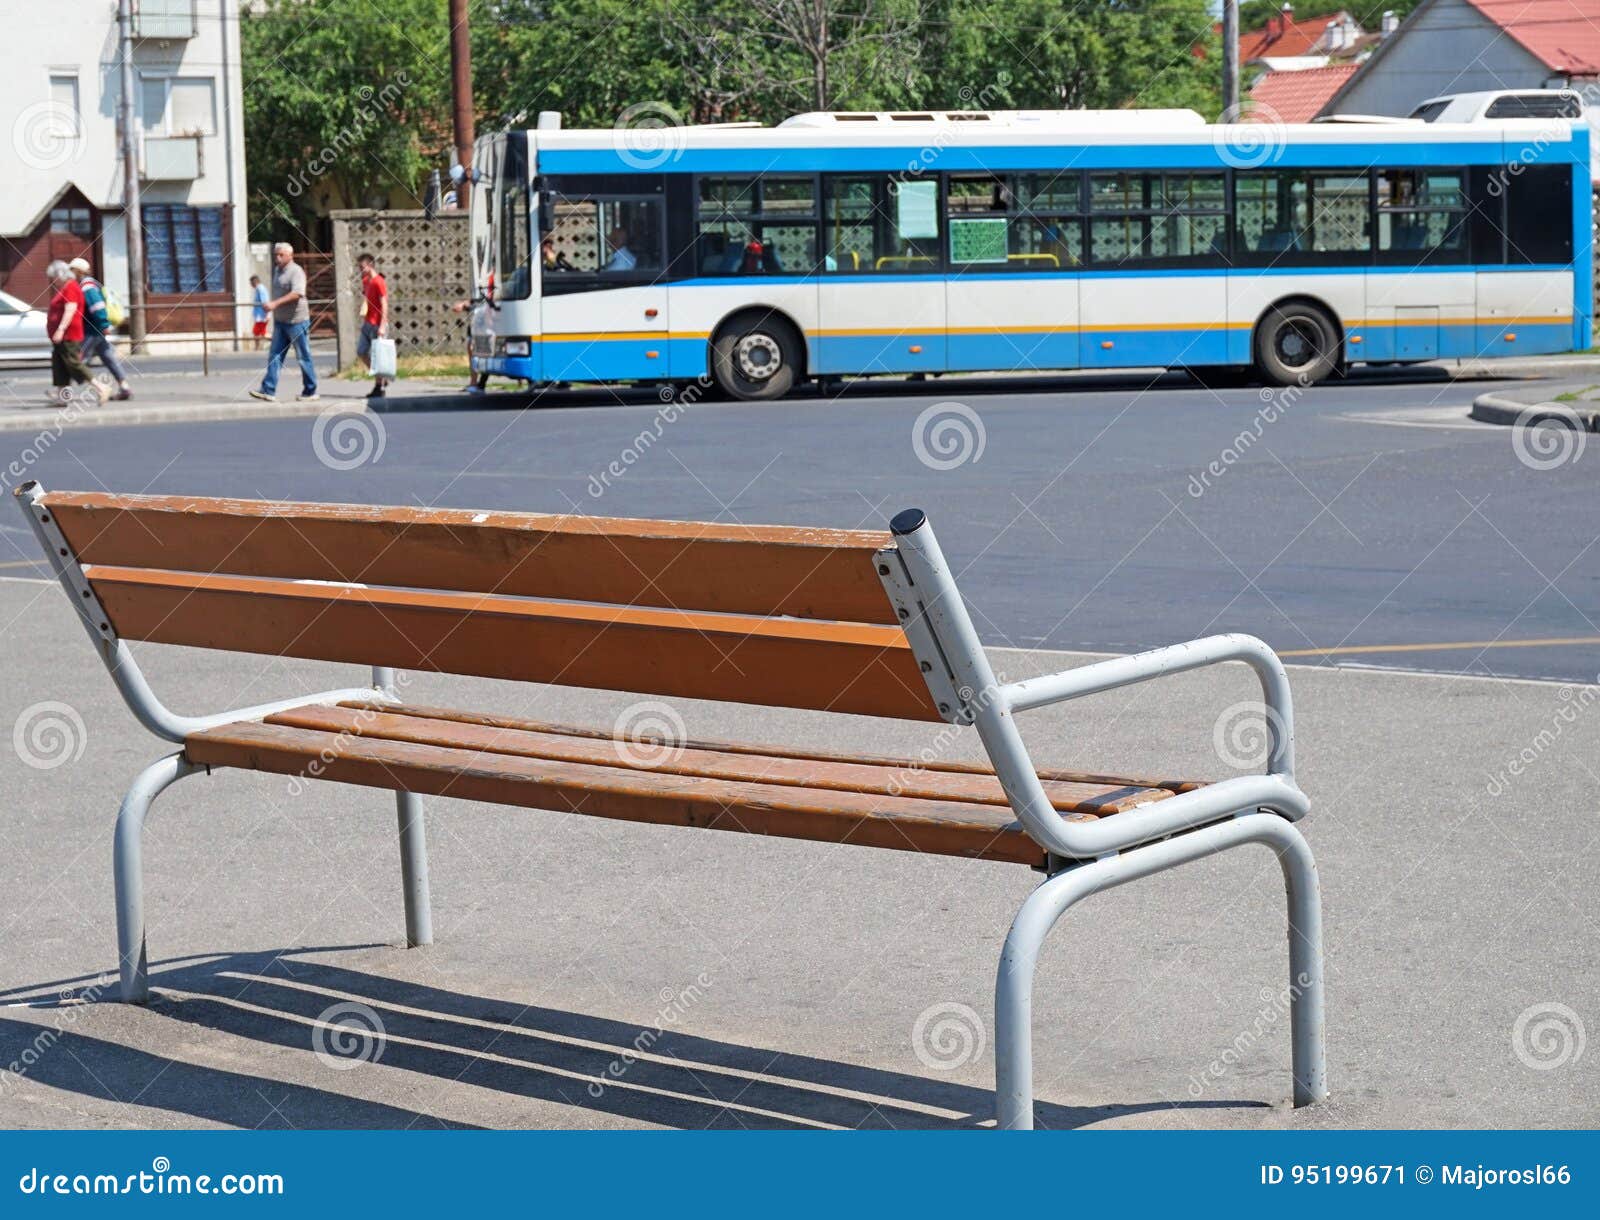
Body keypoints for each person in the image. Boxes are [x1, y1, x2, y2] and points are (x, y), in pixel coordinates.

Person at [249, 242, 318, 402]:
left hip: (297, 321)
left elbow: (297, 293)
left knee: (303, 356)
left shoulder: (296, 272)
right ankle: (268, 389)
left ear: (290, 255)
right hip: (281, 321)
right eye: (276, 255)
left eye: (281, 255)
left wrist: (275, 304)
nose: (278, 258)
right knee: (275, 356)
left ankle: (310, 390)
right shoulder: (277, 271)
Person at [68, 257, 131, 401]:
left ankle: (64, 391)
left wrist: (103, 325)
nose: (70, 274)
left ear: (78, 271)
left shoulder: (87, 287)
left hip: (92, 330)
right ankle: (124, 387)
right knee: (108, 358)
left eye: (71, 270)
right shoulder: (91, 284)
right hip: (96, 328)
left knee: (77, 360)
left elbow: (98, 307)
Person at [44, 260, 103, 406]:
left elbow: (70, 309)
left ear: (60, 275)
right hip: (62, 336)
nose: (52, 281)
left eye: (53, 277)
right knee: (60, 366)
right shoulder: (66, 287)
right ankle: (63, 397)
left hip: (69, 334)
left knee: (73, 363)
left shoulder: (70, 287)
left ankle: (101, 388)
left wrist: (60, 329)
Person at [355, 252, 390, 398]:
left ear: (370, 265)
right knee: (361, 351)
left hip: (377, 324)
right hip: (368, 323)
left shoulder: (378, 281)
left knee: (377, 356)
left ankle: (379, 387)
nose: (360, 269)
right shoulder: (366, 281)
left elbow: (384, 304)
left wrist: (382, 325)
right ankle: (381, 377)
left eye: (362, 267)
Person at [249, 275, 269, 350]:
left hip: (261, 316)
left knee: (256, 332)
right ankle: (257, 348)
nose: (251, 285)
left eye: (251, 283)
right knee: (262, 332)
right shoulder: (259, 289)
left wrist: (266, 314)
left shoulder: (260, 289)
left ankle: (257, 348)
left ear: (254, 282)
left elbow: (264, 301)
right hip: (261, 315)